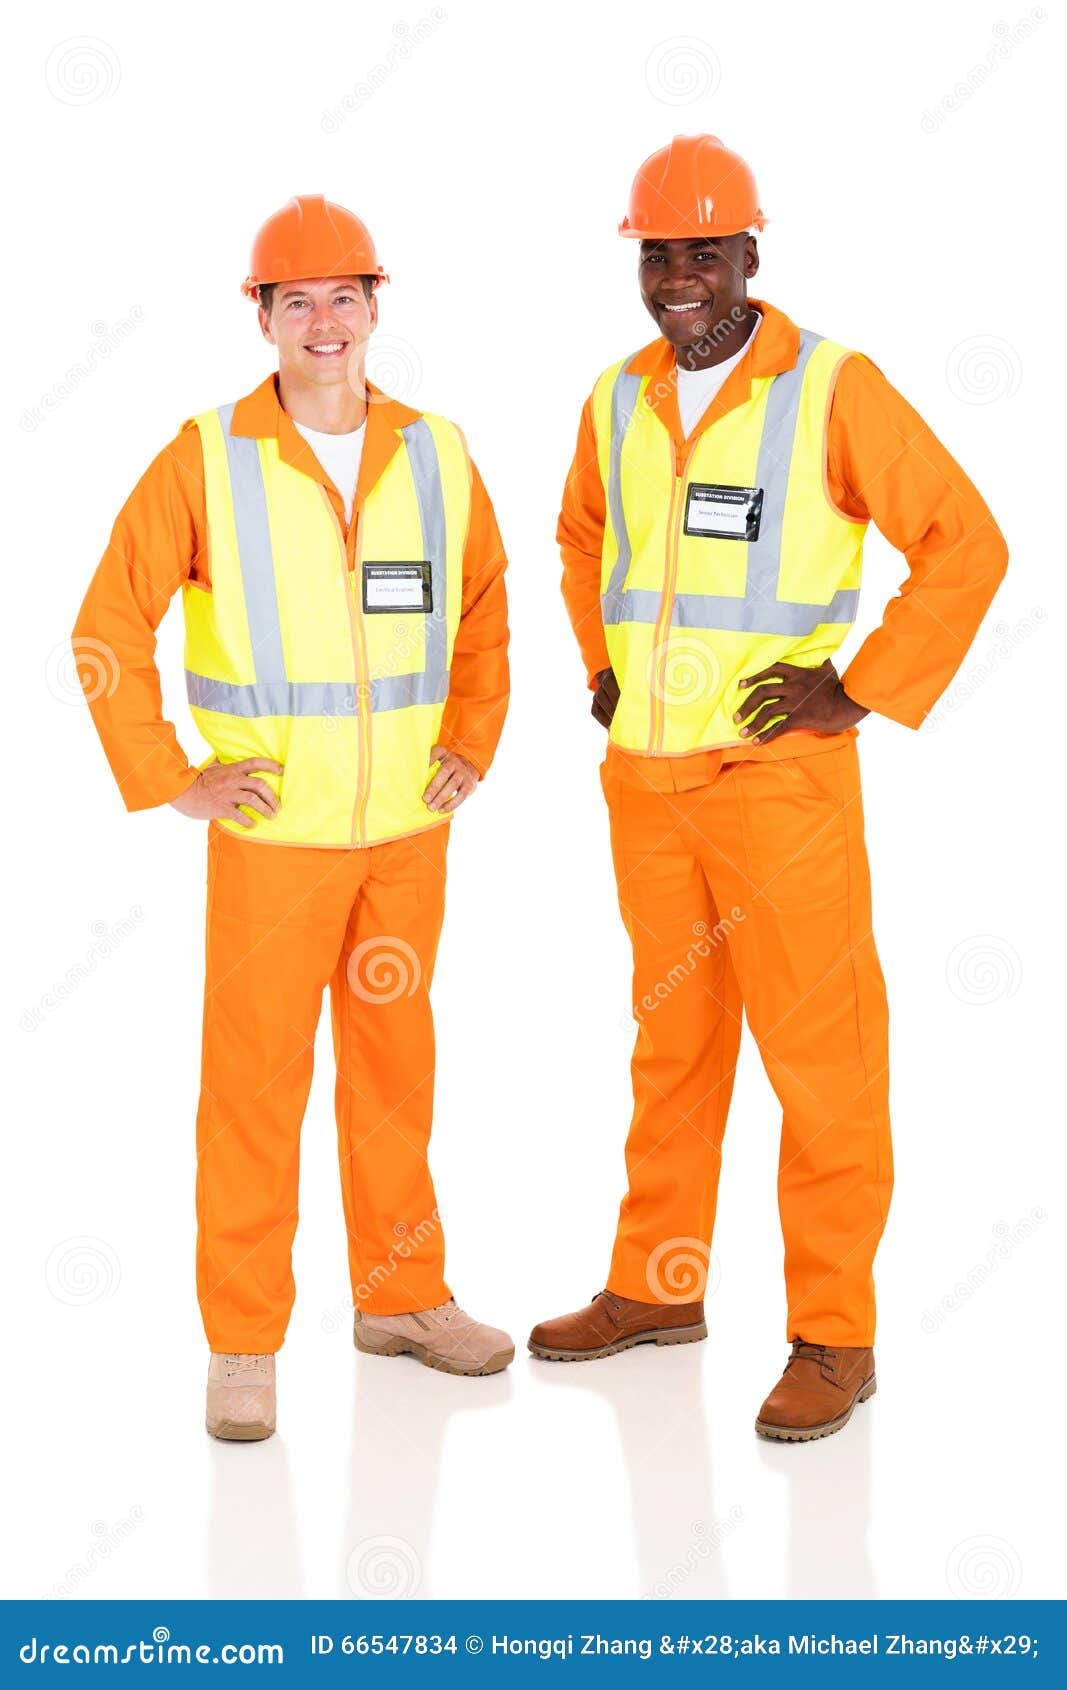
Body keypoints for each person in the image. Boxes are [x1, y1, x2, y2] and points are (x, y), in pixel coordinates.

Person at [529, 137, 1008, 1442]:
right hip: (647, 781)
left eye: (703, 252)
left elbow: (963, 542)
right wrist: (601, 669)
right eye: (657, 255)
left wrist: (858, 689)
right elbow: (581, 538)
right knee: (671, 1043)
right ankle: (655, 1283)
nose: (677, 278)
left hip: (778, 781)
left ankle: (833, 1335)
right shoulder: (616, 396)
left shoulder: (830, 387)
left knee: (820, 1059)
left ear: (749, 252)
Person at [72, 195, 514, 1441]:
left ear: (377, 305)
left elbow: (484, 605)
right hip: (272, 842)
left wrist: (472, 739)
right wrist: (171, 776)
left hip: (405, 833)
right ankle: (243, 1344)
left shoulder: (436, 451)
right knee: (253, 1093)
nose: (325, 322)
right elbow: (106, 626)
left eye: (344, 296)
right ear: (260, 316)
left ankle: (402, 1298)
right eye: (298, 300)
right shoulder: (205, 457)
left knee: (394, 1076)